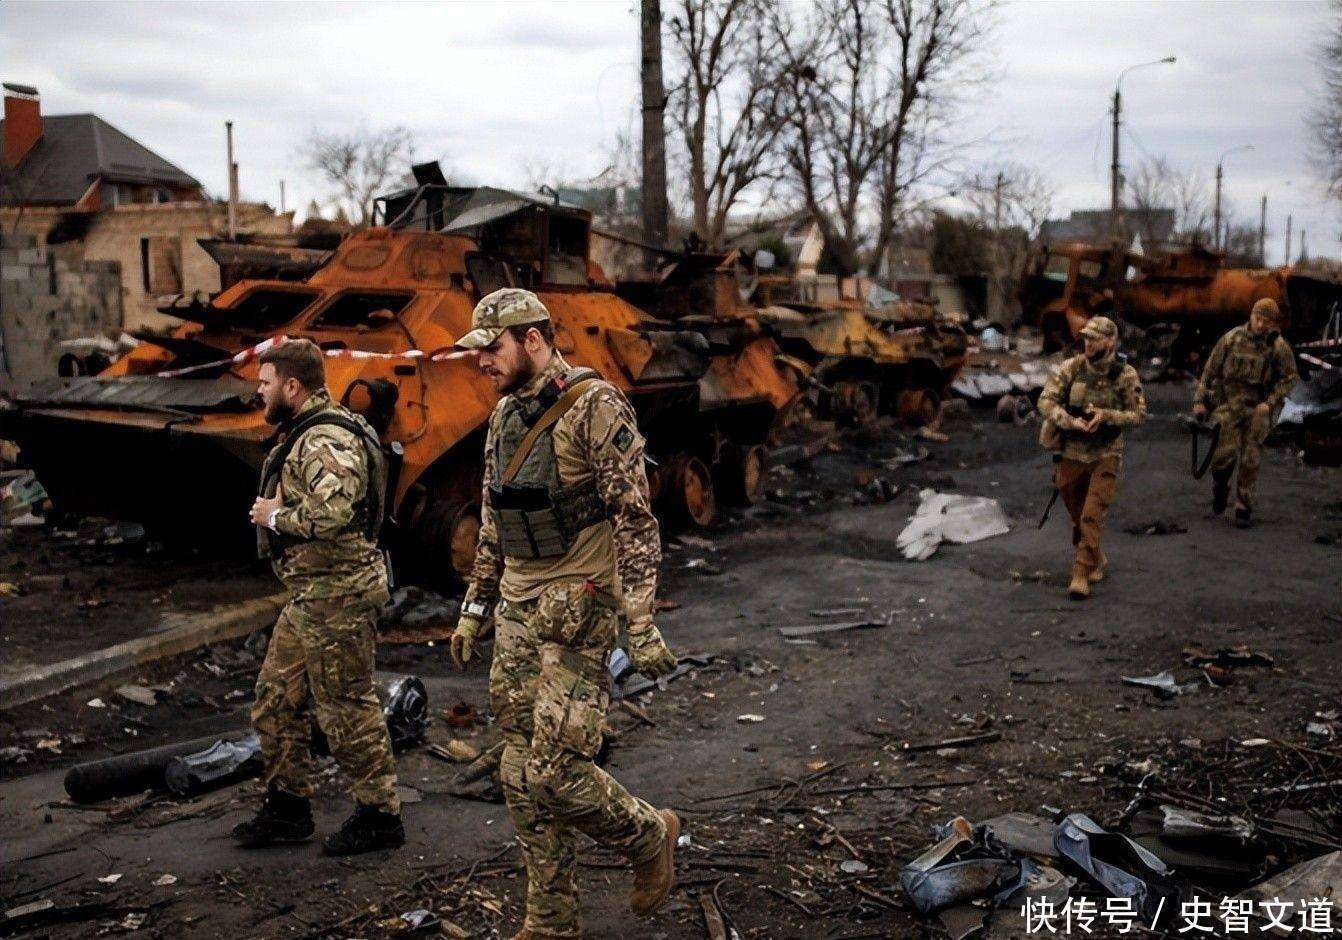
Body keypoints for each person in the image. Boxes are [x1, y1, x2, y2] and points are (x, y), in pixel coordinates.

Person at [449, 288, 680, 939]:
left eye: (492, 348)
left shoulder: (595, 407)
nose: (482, 362)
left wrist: (640, 621)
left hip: (577, 607)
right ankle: (551, 919)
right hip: (518, 608)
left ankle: (647, 836)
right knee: (519, 770)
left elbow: (635, 521)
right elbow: (494, 521)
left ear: (533, 339)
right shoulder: (503, 416)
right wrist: (474, 607)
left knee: (556, 773)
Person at [232, 338, 404, 855]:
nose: (259, 392)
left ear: (292, 386)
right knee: (276, 698)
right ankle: (288, 807)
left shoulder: (325, 439)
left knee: (346, 706)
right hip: (312, 594)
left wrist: (275, 517)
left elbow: (334, 513)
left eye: (265, 383)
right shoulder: (305, 432)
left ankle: (380, 816)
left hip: (340, 595)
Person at [1037, 316, 1147, 600]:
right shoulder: (1072, 368)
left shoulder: (1125, 375)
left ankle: (1081, 572)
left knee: (1091, 514)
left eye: (1094, 339)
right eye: (1086, 338)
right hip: (1071, 452)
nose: (1088, 343)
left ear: (1110, 341)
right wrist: (1069, 421)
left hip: (1106, 453)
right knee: (1077, 515)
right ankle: (1096, 556)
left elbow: (1138, 415)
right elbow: (1045, 400)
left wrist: (1106, 416)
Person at [1192, 297, 1298, 528]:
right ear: (1251, 315)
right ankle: (1220, 486)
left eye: (1266, 321)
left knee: (1250, 458)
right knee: (1223, 456)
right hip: (1229, 406)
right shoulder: (1232, 339)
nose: (1260, 325)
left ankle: (1243, 505)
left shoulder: (1277, 346)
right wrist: (1200, 400)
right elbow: (1210, 370)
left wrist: (1270, 402)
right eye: (1257, 318)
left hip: (1256, 408)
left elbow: (1290, 377)